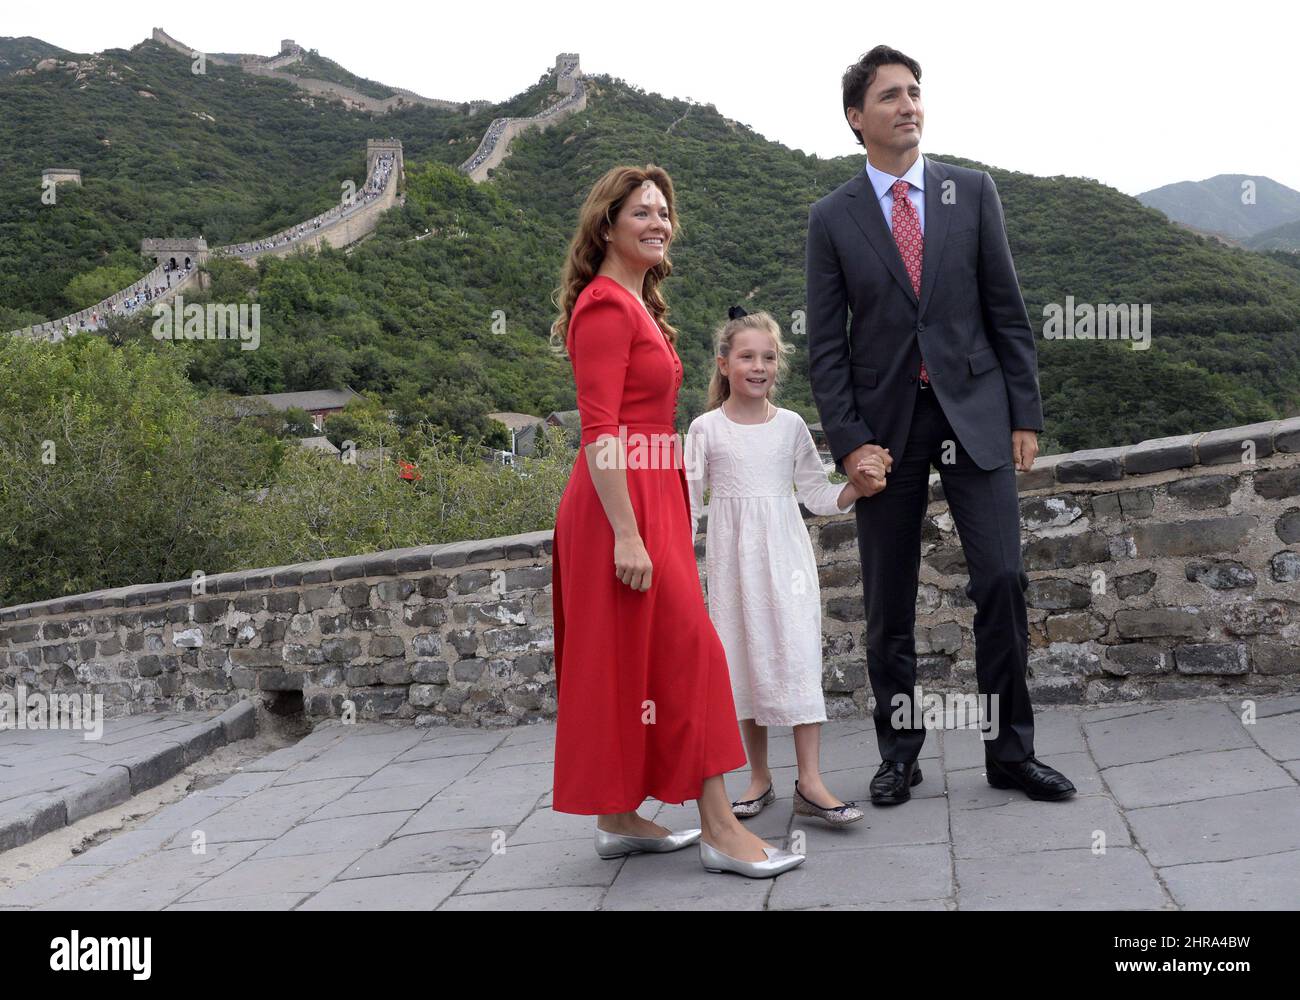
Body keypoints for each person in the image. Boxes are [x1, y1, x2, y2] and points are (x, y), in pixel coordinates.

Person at [805, 45, 1076, 804]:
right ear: (858, 118)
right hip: (885, 431)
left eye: (915, 92)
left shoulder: (972, 192)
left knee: (1002, 578)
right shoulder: (833, 218)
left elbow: (1007, 313)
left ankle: (1011, 754)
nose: (908, 105)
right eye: (890, 96)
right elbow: (827, 349)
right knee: (890, 601)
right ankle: (900, 755)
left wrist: (1025, 412)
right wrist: (852, 441)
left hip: (977, 412)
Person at [550, 165, 804, 877]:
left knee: (641, 659)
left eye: (665, 213)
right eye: (643, 212)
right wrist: (628, 533)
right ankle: (721, 828)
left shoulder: (635, 303)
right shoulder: (603, 307)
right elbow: (601, 430)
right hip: (617, 506)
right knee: (693, 652)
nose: (659, 222)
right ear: (608, 225)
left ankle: (618, 814)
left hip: (650, 489)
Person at [687, 306, 886, 827]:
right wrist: (678, 562)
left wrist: (856, 488)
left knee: (796, 657)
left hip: (787, 560)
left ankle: (811, 782)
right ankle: (759, 778)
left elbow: (817, 492)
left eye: (769, 357)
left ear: (779, 365)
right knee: (742, 663)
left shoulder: (792, 426)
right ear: (724, 363)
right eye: (747, 356)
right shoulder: (705, 429)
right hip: (732, 566)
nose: (759, 366)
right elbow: (687, 504)